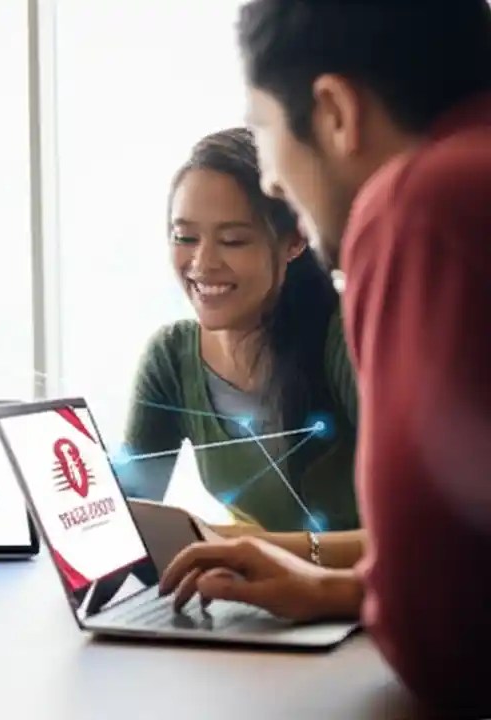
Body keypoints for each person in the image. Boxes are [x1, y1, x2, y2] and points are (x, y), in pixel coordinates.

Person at [159, 1, 491, 715]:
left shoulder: (422, 203)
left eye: (267, 127)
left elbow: (441, 637)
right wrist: (335, 586)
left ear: (336, 112)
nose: (274, 182)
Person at [119, 127, 364, 568]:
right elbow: (128, 525)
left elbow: (429, 539)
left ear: (294, 240)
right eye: (185, 237)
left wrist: (251, 550)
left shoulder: (347, 339)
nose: (202, 263)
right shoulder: (171, 359)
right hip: (266, 610)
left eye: (233, 240)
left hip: (374, 613)